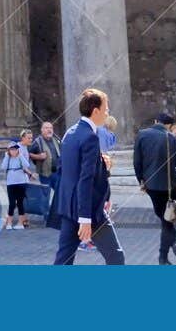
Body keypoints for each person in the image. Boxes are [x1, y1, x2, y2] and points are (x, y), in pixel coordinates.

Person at [50, 87, 124, 265]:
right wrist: (85, 219)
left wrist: (100, 164)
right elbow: (85, 179)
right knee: (116, 257)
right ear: (95, 110)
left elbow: (66, 169)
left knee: (63, 260)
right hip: (89, 210)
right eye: (106, 108)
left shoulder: (70, 132)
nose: (107, 113)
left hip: (69, 207)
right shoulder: (90, 137)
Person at [133, 112, 176, 265]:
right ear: (169, 125)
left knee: (165, 220)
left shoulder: (142, 135)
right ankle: (166, 254)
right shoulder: (171, 137)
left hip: (151, 186)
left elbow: (137, 162)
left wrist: (141, 181)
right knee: (168, 220)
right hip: (170, 185)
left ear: (155, 121)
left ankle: (166, 254)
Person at [1, 139, 36, 230]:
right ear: (8, 150)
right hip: (11, 183)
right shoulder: (8, 158)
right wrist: (6, 157)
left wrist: (20, 156)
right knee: (12, 203)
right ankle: (9, 222)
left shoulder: (20, 157)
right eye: (12, 149)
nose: (14, 151)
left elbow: (26, 164)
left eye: (15, 149)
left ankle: (20, 223)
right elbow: (3, 167)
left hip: (21, 182)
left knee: (20, 203)